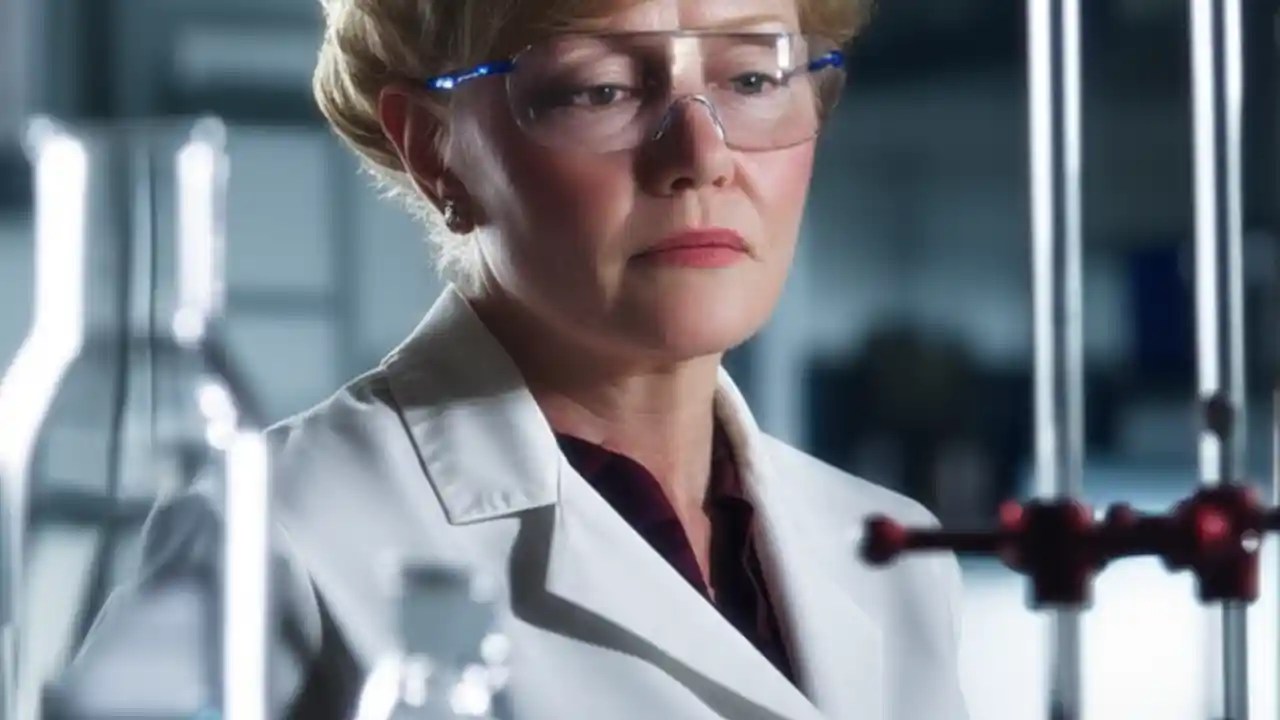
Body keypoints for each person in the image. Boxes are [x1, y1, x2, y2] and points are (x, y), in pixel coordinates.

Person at [51, 0, 970, 717]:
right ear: (434, 149)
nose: (701, 155)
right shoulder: (275, 536)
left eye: (755, 77)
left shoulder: (892, 553)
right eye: (602, 88)